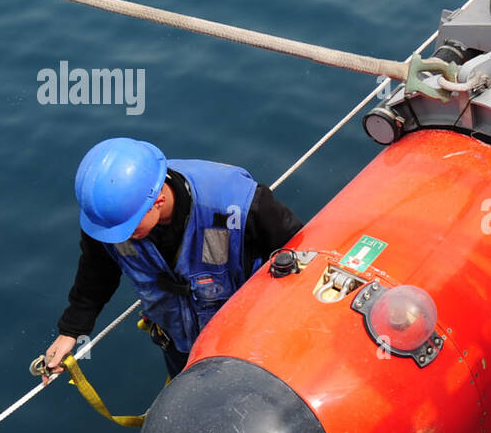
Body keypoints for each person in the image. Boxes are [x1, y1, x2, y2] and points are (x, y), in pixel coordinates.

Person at [42, 137, 303, 379]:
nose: (123, 238)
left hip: (253, 342)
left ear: (158, 199)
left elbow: (302, 254)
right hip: (182, 351)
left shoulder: (239, 203)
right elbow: (96, 273)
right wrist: (72, 330)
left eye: (131, 228)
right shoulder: (109, 222)